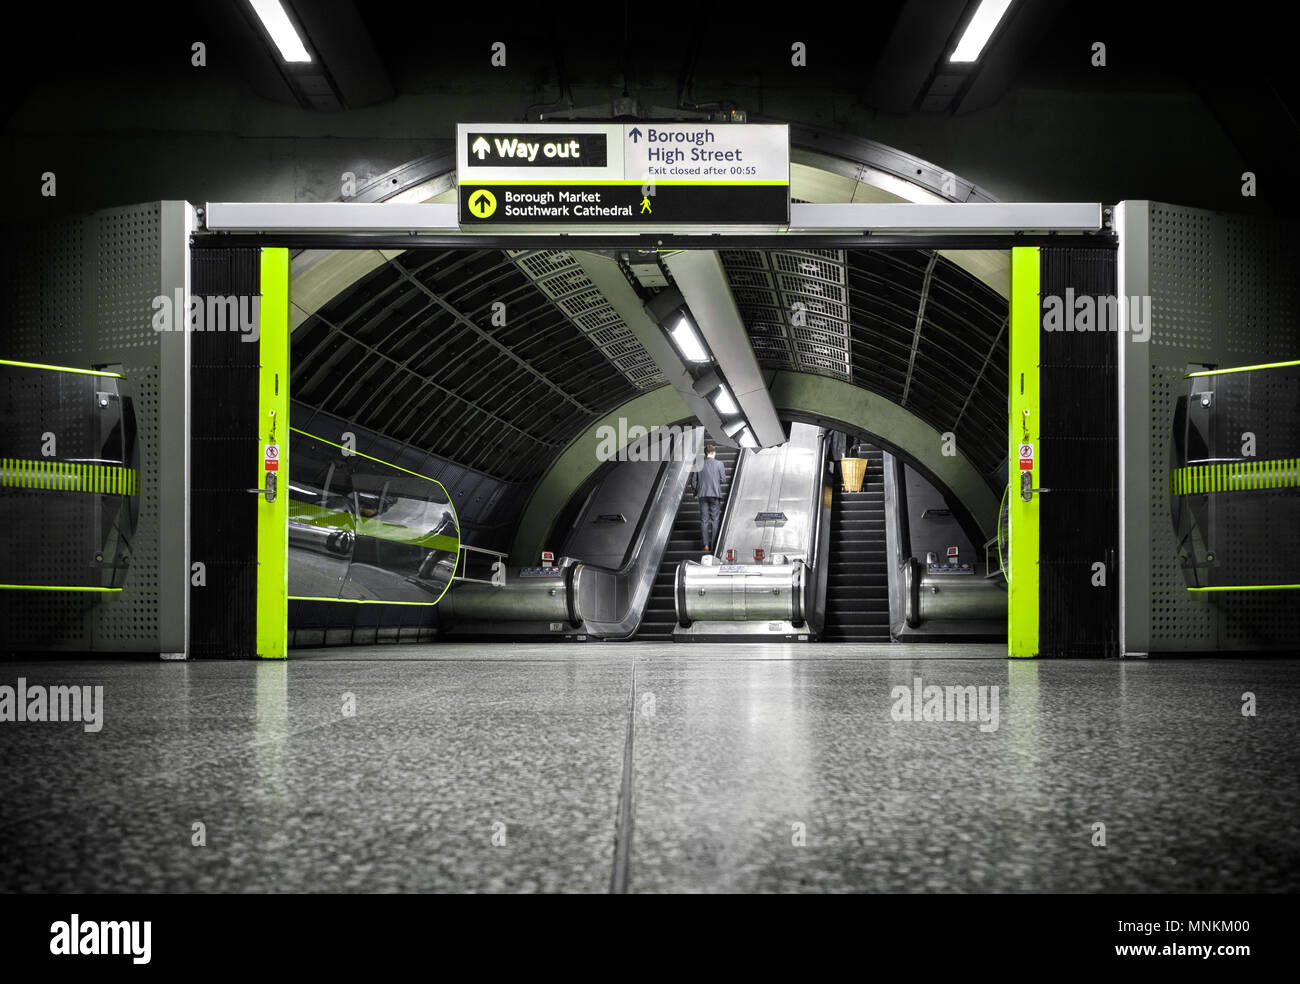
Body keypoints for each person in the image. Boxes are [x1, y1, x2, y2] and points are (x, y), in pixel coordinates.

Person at [691, 442, 726, 554]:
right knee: (715, 520)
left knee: (704, 520)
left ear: (705, 454)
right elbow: (723, 479)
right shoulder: (719, 464)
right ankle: (714, 543)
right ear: (713, 453)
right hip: (715, 495)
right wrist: (715, 481)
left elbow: (693, 481)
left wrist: (696, 490)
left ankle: (706, 545)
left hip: (702, 495)